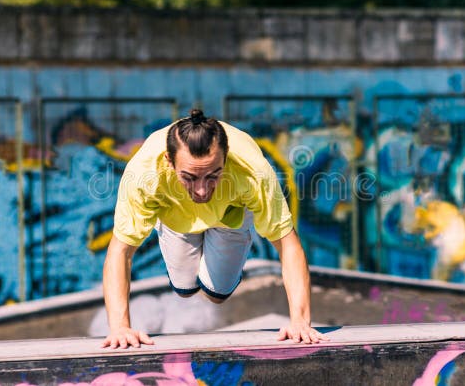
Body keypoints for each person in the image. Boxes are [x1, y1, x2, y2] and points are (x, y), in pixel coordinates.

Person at [102, 109, 327, 349]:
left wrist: (301, 322)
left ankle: (228, 236)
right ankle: (172, 228)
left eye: (213, 176)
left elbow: (288, 244)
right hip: (177, 216)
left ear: (226, 157)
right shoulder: (144, 174)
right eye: (189, 177)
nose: (201, 190)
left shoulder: (252, 171)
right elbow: (120, 251)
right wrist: (120, 328)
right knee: (185, 289)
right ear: (169, 161)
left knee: (215, 292)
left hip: (229, 218)